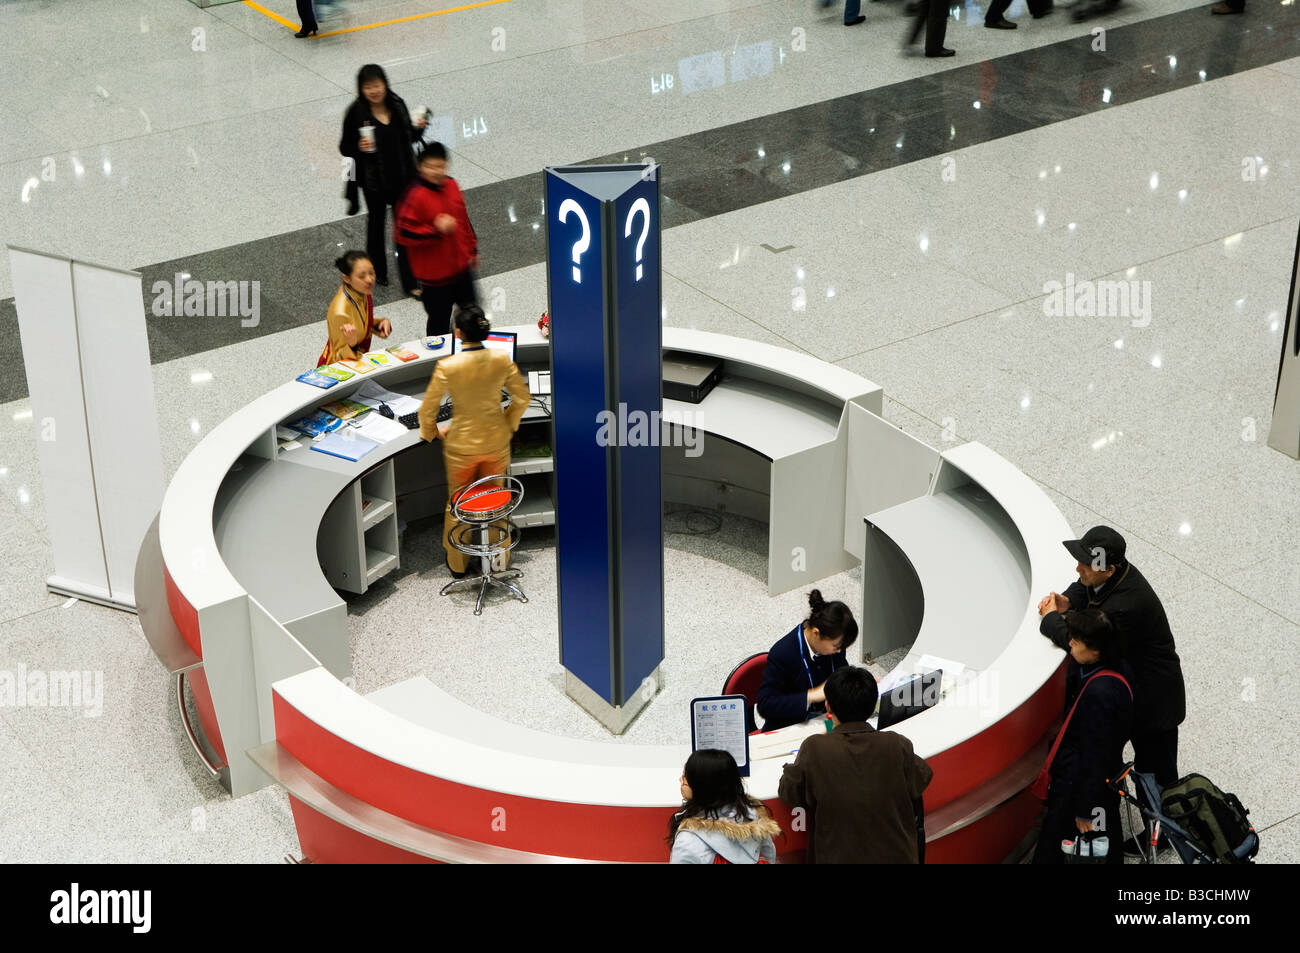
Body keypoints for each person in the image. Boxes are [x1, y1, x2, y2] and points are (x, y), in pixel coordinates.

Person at [1038, 525, 1185, 855]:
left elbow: (1080, 640)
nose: (1078, 569)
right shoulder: (1113, 576)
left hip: (1154, 702)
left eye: (1085, 564)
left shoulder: (1126, 606)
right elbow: (1083, 589)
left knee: (1156, 775)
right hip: (1133, 688)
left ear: (1110, 567)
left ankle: (1162, 836)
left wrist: (1051, 619)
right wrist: (1066, 600)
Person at [418, 305, 530, 577]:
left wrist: (433, 432)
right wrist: (507, 423)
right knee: (496, 501)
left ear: (457, 333)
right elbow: (522, 398)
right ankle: (498, 560)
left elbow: (427, 411)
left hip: (461, 449)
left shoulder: (448, 365)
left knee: (458, 504)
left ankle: (458, 565)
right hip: (496, 444)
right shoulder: (501, 359)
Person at [778, 666, 933, 863]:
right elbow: (921, 779)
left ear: (828, 706)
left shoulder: (815, 748)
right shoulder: (896, 744)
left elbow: (788, 792)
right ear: (871, 706)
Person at [1032, 609, 1133, 865]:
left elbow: (1096, 757)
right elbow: (1064, 636)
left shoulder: (1101, 695)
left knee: (1061, 843)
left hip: (1079, 786)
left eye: (1076, 641)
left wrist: (1085, 810)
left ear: (1095, 650)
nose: (1071, 643)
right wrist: (1050, 617)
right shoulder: (1111, 661)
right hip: (1097, 781)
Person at [339, 64, 426, 295]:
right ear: (361, 89)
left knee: (404, 229)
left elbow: (409, 137)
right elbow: (344, 147)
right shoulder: (356, 113)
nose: (373, 90)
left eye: (377, 85)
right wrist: (358, 146)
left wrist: (419, 128)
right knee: (376, 227)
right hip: (374, 182)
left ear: (385, 84)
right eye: (368, 86)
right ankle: (377, 272)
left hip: (403, 178)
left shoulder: (397, 105)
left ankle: (410, 282)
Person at [396, 143, 480, 337]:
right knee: (439, 325)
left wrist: (473, 249)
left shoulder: (452, 185)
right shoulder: (414, 196)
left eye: (440, 166)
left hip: (461, 269)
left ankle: (471, 355)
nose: (435, 172)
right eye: (430, 166)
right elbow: (404, 233)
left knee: (472, 316)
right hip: (435, 280)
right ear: (420, 166)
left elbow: (464, 220)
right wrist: (435, 230)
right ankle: (438, 362)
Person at [756, 590, 858, 732]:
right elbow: (766, 705)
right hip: (791, 727)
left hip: (826, 722)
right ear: (816, 633)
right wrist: (812, 695)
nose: (839, 651)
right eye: (836, 646)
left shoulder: (835, 645)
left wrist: (858, 682)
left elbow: (841, 674)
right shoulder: (783, 653)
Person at [668, 750, 781, 864]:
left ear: (701, 786)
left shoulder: (687, 842)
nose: (681, 780)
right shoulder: (755, 819)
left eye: (685, 777)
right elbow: (769, 855)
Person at [317, 251, 391, 366]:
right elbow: (338, 355)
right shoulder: (339, 312)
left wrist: (379, 324)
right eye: (362, 276)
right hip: (336, 371)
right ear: (346, 278)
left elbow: (361, 321)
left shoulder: (361, 291)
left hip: (358, 362)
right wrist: (352, 344)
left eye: (371, 273)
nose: (369, 279)